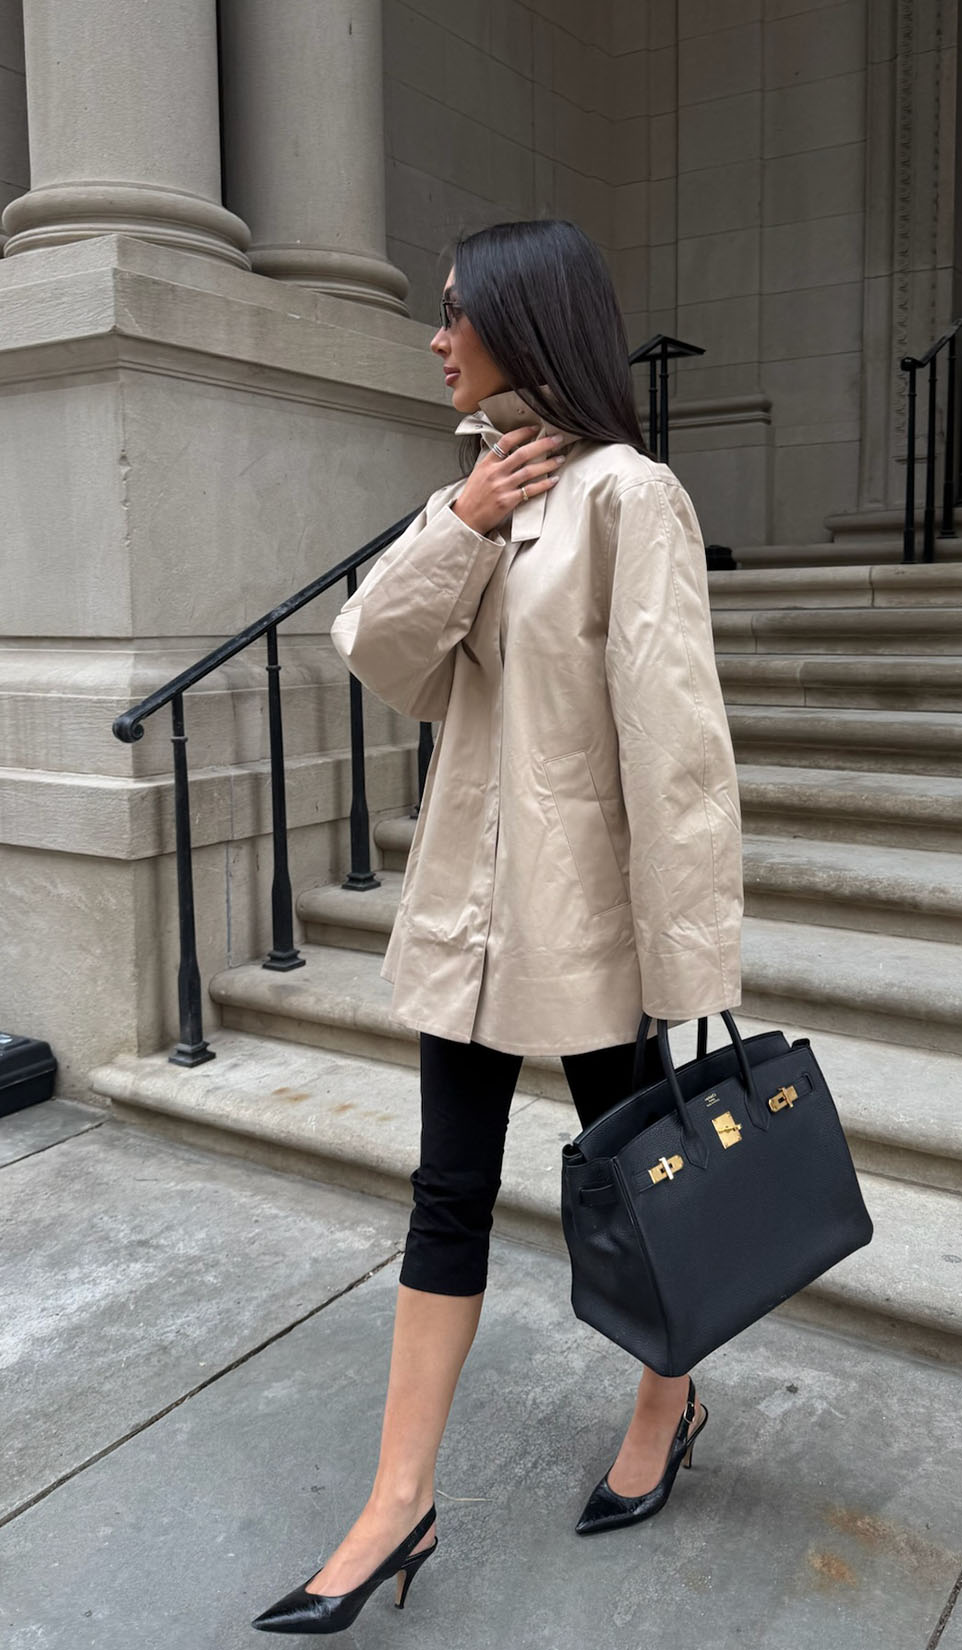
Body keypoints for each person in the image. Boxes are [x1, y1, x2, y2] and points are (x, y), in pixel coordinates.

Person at [251, 219, 743, 1635]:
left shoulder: (627, 499)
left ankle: (668, 1394)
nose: (434, 333)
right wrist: (459, 529)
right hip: (468, 915)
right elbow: (383, 661)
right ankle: (397, 1502)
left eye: (454, 311)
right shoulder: (478, 488)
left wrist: (687, 957)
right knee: (446, 1192)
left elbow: (678, 747)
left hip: (588, 927)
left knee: (647, 1184)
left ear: (524, 325)